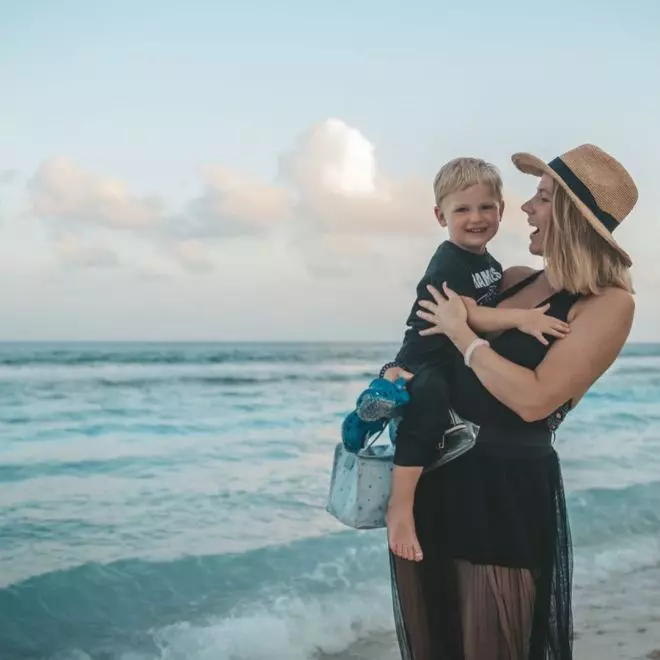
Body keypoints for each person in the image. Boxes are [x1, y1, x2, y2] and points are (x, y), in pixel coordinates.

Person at [384, 143, 637, 660]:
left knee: (492, 642)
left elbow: (535, 400)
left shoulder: (610, 303)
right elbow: (429, 336)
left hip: (504, 493)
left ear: (570, 213)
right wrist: (394, 374)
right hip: (438, 475)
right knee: (438, 641)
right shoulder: (514, 279)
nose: (524, 208)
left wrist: (465, 337)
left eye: (542, 197)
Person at [363, 158, 570, 562]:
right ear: (441, 216)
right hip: (425, 358)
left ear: (502, 210)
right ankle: (400, 507)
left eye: (486, 207)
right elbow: (464, 315)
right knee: (429, 406)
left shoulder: (491, 267)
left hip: (450, 359)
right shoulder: (448, 262)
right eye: (462, 210)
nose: (476, 218)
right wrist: (522, 318)